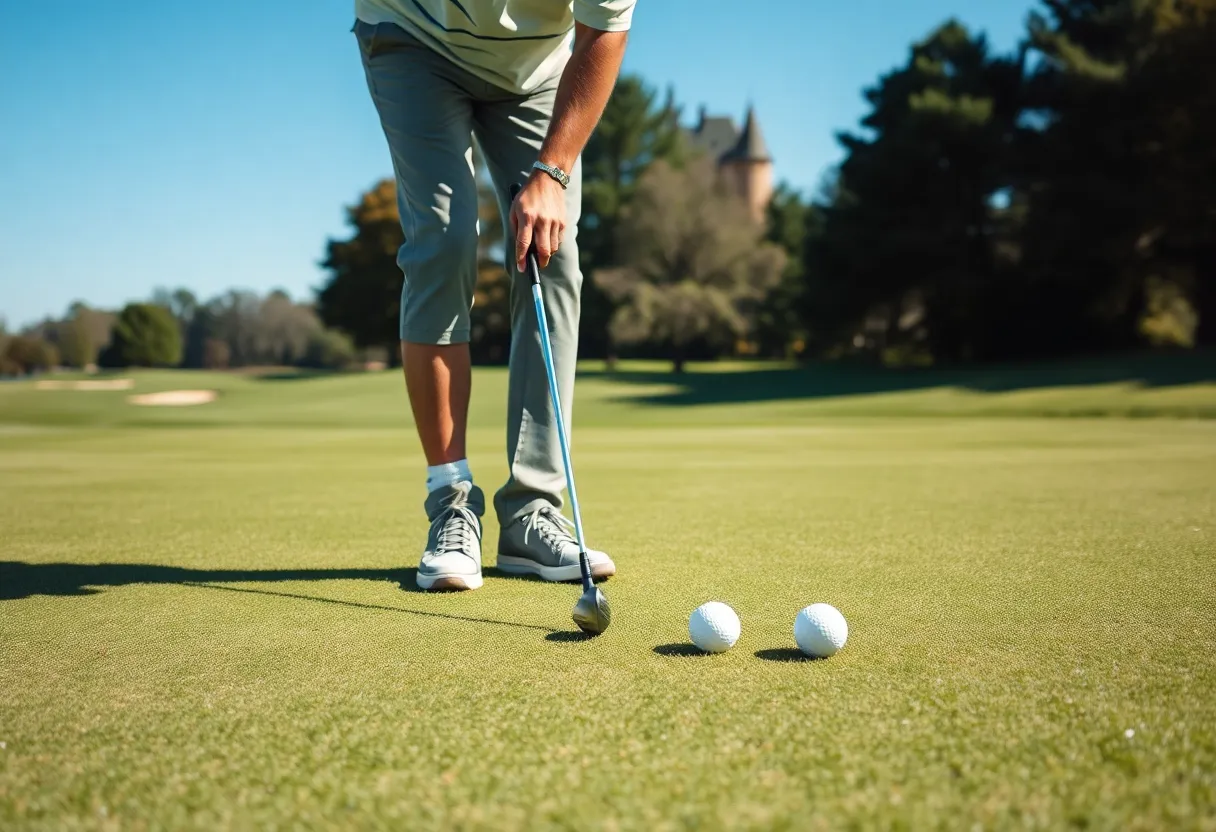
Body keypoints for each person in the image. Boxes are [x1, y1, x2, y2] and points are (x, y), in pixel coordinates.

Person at [352, 0, 633, 591]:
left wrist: (551, 174)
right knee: (444, 241)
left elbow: (605, 34)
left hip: (538, 69)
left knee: (553, 255)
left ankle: (532, 511)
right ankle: (450, 503)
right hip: (413, 36)